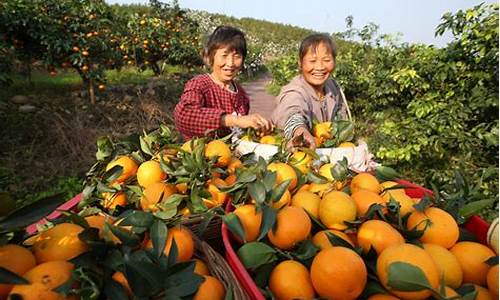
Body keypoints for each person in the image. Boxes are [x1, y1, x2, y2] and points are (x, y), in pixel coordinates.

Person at [174, 25, 272, 141]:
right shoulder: (199, 85)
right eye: (224, 55)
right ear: (211, 56)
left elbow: (238, 131)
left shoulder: (241, 95)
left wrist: (256, 127)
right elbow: (184, 115)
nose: (230, 63)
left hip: (232, 157)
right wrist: (233, 120)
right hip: (202, 155)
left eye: (237, 56)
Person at [271, 33, 351, 150]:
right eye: (312, 61)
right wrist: (300, 133)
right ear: (300, 63)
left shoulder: (333, 87)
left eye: (326, 60)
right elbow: (292, 112)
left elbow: (342, 121)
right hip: (301, 156)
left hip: (328, 157)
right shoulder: (295, 91)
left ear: (334, 61)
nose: (319, 67)